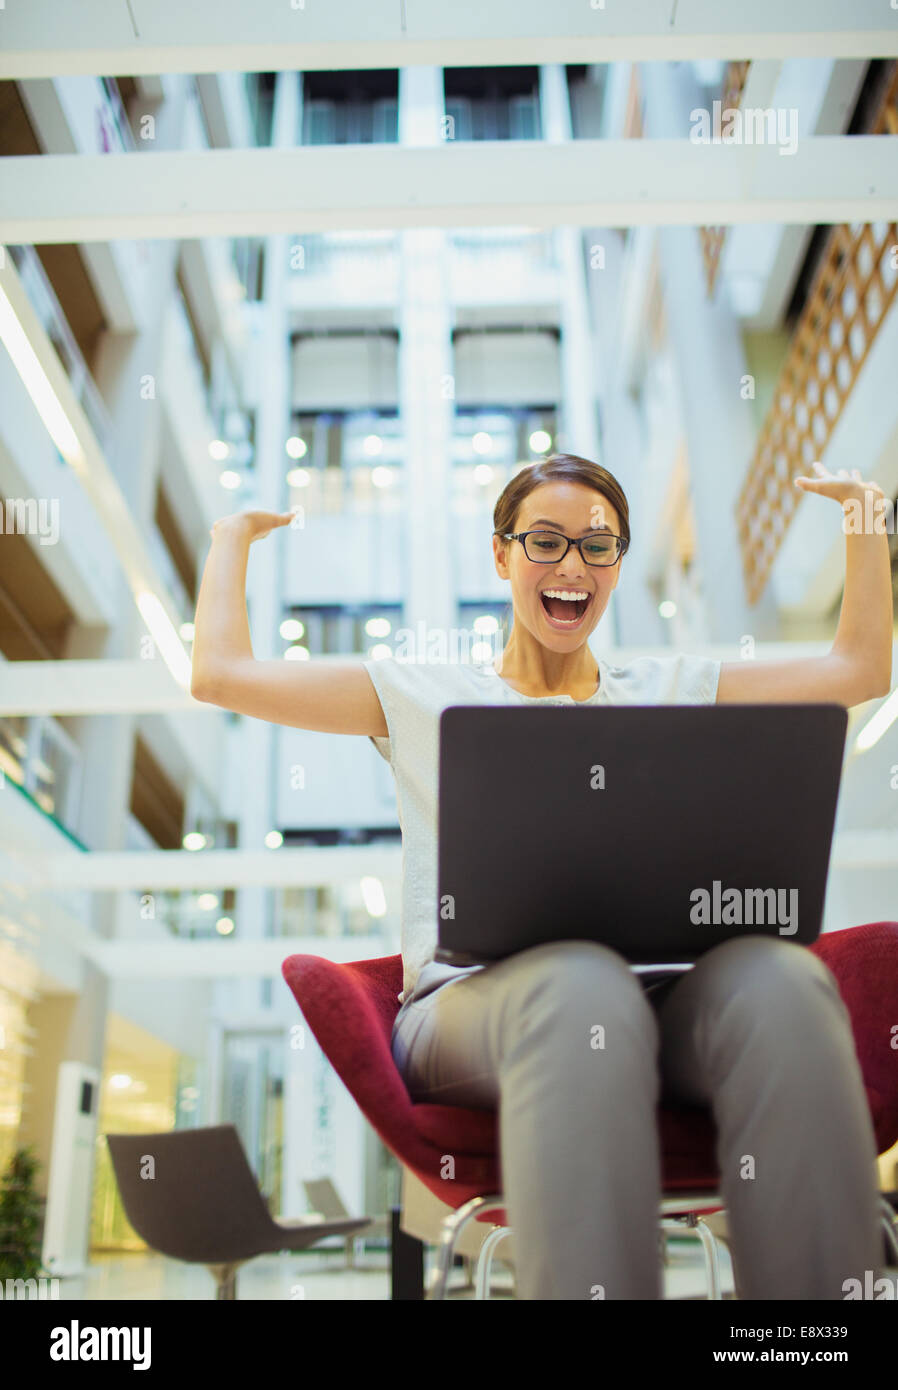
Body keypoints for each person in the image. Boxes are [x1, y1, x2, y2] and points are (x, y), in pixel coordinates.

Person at [190, 452, 892, 1300]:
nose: (572, 567)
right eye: (546, 543)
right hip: (476, 1006)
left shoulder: (673, 687)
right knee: (577, 982)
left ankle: (805, 1340)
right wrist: (230, 541)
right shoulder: (422, 691)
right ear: (501, 555)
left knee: (781, 979)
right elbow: (220, 675)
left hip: (664, 998)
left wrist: (864, 521)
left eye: (598, 548)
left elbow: (859, 671)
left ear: (620, 565)